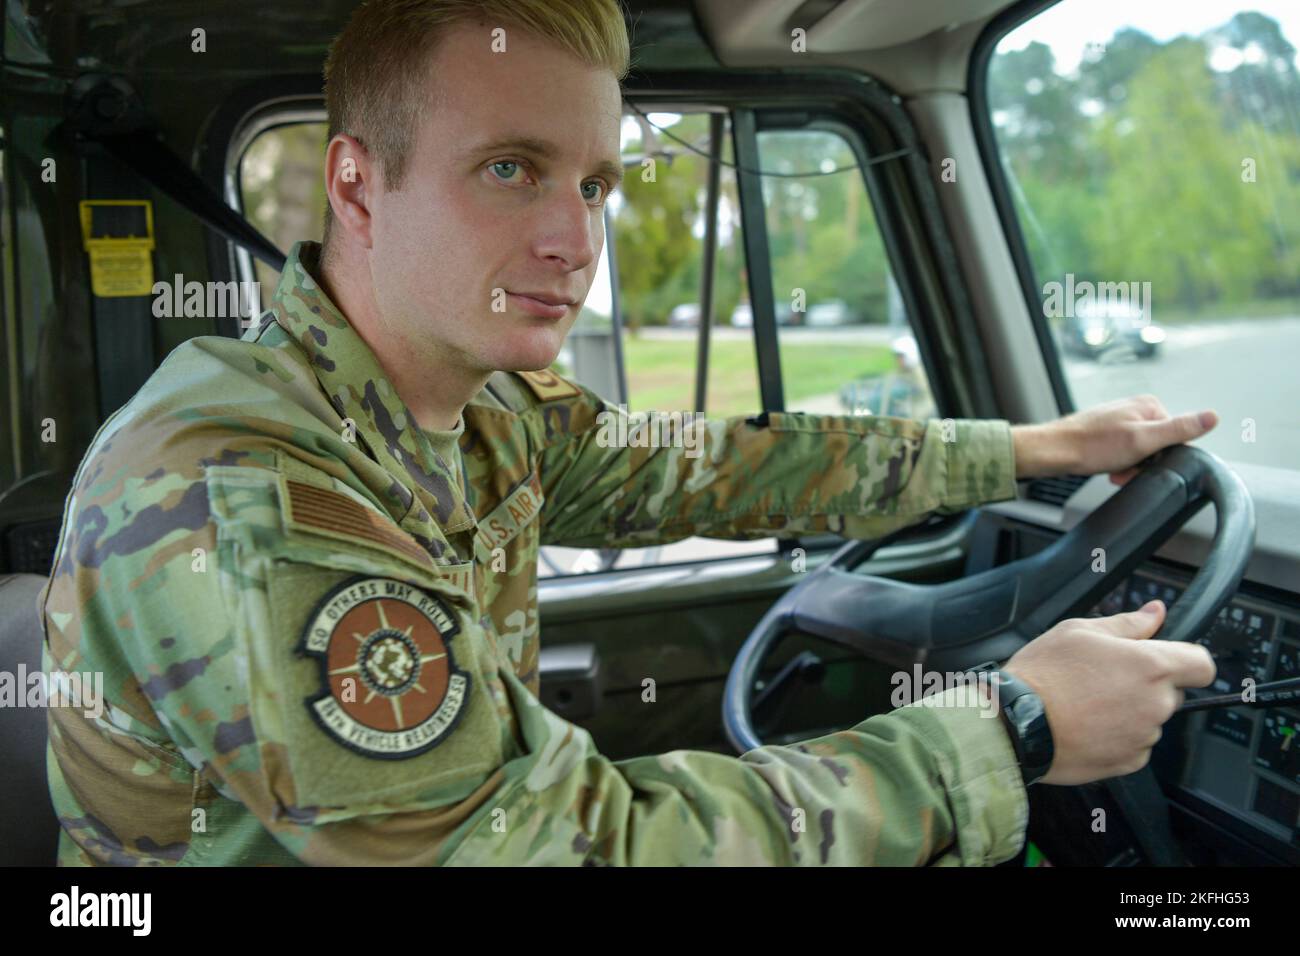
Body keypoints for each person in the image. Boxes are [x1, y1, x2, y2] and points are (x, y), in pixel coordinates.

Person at [41, 0, 1217, 866]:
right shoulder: (240, 490)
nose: (573, 237)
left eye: (596, 184)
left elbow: (696, 462)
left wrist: (1023, 450)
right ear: (354, 188)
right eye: (511, 168)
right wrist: (1004, 731)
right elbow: (546, 851)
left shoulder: (465, 400)